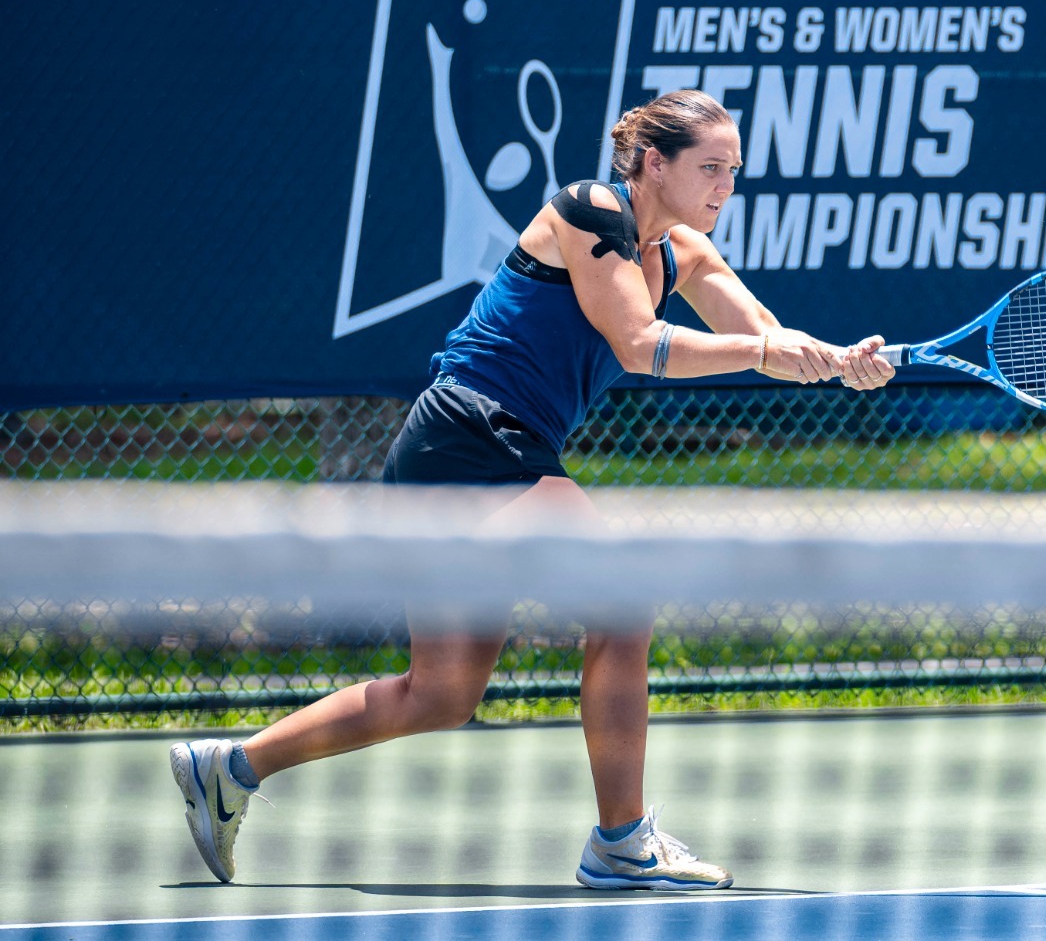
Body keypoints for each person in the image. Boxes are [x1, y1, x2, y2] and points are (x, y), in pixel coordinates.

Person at [169, 90, 895, 891]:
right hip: (473, 434)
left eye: (735, 170)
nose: (726, 185)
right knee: (622, 598)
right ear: (653, 162)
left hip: (472, 452)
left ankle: (230, 766)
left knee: (441, 692)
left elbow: (767, 333)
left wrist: (838, 359)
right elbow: (641, 340)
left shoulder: (684, 251)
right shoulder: (588, 211)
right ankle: (622, 842)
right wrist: (766, 352)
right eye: (711, 167)